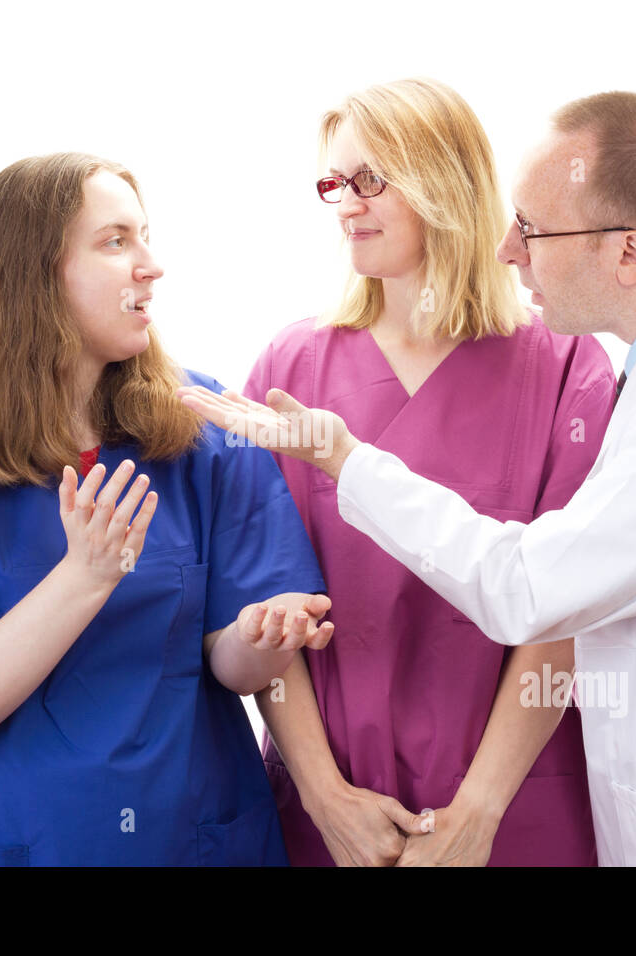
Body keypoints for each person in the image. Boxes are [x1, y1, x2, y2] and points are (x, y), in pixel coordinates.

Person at [180, 91, 636, 865]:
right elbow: (255, 605)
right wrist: (324, 796)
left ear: (631, 253)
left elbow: (535, 590)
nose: (508, 248)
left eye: (531, 226)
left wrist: (343, 456)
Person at [0, 152, 333, 866]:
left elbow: (230, 665)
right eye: (116, 241)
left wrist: (262, 639)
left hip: (191, 840)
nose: (151, 265)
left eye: (145, 235)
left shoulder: (200, 430)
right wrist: (84, 578)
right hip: (10, 841)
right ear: (35, 275)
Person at [239, 78, 615, 866]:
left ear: (446, 183)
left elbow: (568, 609)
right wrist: (323, 795)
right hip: (337, 814)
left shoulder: (566, 369)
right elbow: (256, 609)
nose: (346, 203)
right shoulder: (291, 368)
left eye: (371, 179)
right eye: (334, 183)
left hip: (511, 805)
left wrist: (477, 812)